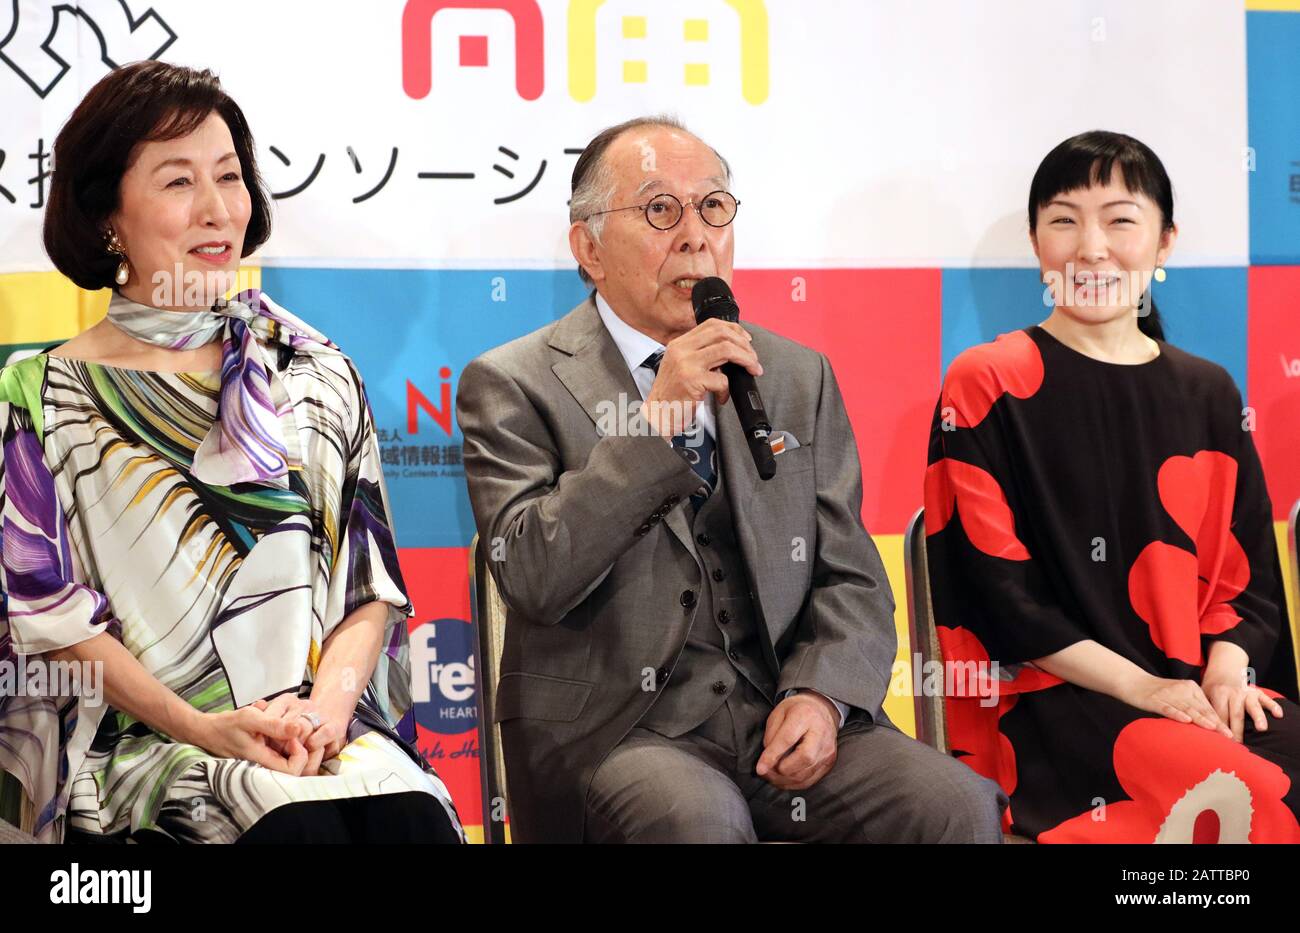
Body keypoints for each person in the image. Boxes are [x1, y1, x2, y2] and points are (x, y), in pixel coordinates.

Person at [457, 115, 1006, 843]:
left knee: (952, 804)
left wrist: (822, 695)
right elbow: (531, 571)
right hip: (619, 736)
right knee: (699, 821)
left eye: (713, 207)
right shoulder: (513, 382)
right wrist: (655, 423)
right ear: (588, 248)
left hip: (777, 720)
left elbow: (853, 579)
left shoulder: (792, 374)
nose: (696, 235)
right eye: (659, 210)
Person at [0, 60, 462, 843]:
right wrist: (207, 728)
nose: (219, 210)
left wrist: (323, 715)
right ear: (107, 213)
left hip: (320, 732)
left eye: (230, 176)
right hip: (147, 749)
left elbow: (369, 588)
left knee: (411, 819)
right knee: (295, 835)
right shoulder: (38, 395)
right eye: (179, 182)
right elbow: (47, 621)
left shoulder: (318, 370)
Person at [925, 130, 1300, 842]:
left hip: (1198, 689)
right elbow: (1001, 597)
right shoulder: (988, 381)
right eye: (1064, 220)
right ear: (1037, 244)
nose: (1091, 247)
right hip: (1056, 701)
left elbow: (1247, 583)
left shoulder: (1209, 390)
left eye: (1120, 219)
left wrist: (1226, 671)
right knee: (1242, 796)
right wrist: (1145, 688)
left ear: (1164, 243)